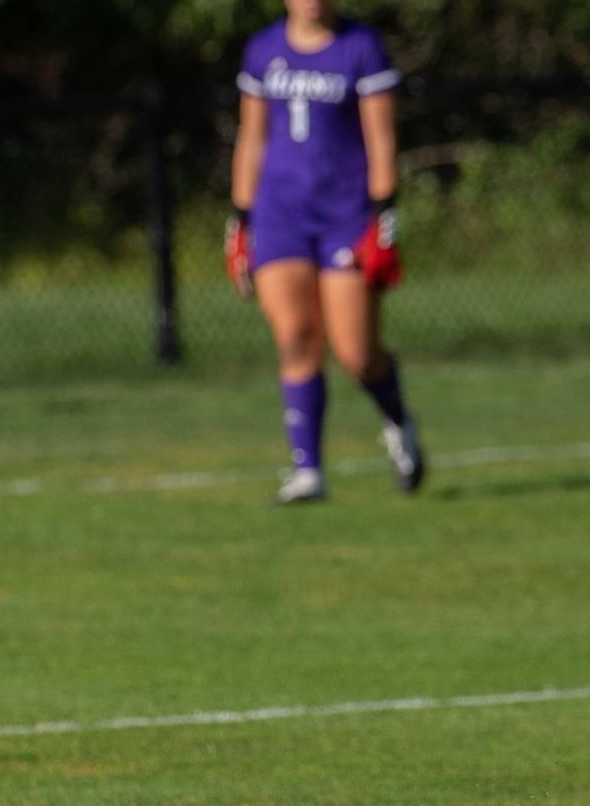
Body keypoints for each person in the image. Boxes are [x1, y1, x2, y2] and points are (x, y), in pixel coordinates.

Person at [228, 0, 424, 505]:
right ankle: (307, 471)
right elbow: (252, 139)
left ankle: (398, 421)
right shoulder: (263, 50)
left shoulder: (360, 47)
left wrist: (383, 218)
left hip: (346, 215)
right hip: (279, 215)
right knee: (296, 336)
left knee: (357, 354)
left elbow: (381, 139)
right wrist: (240, 219)